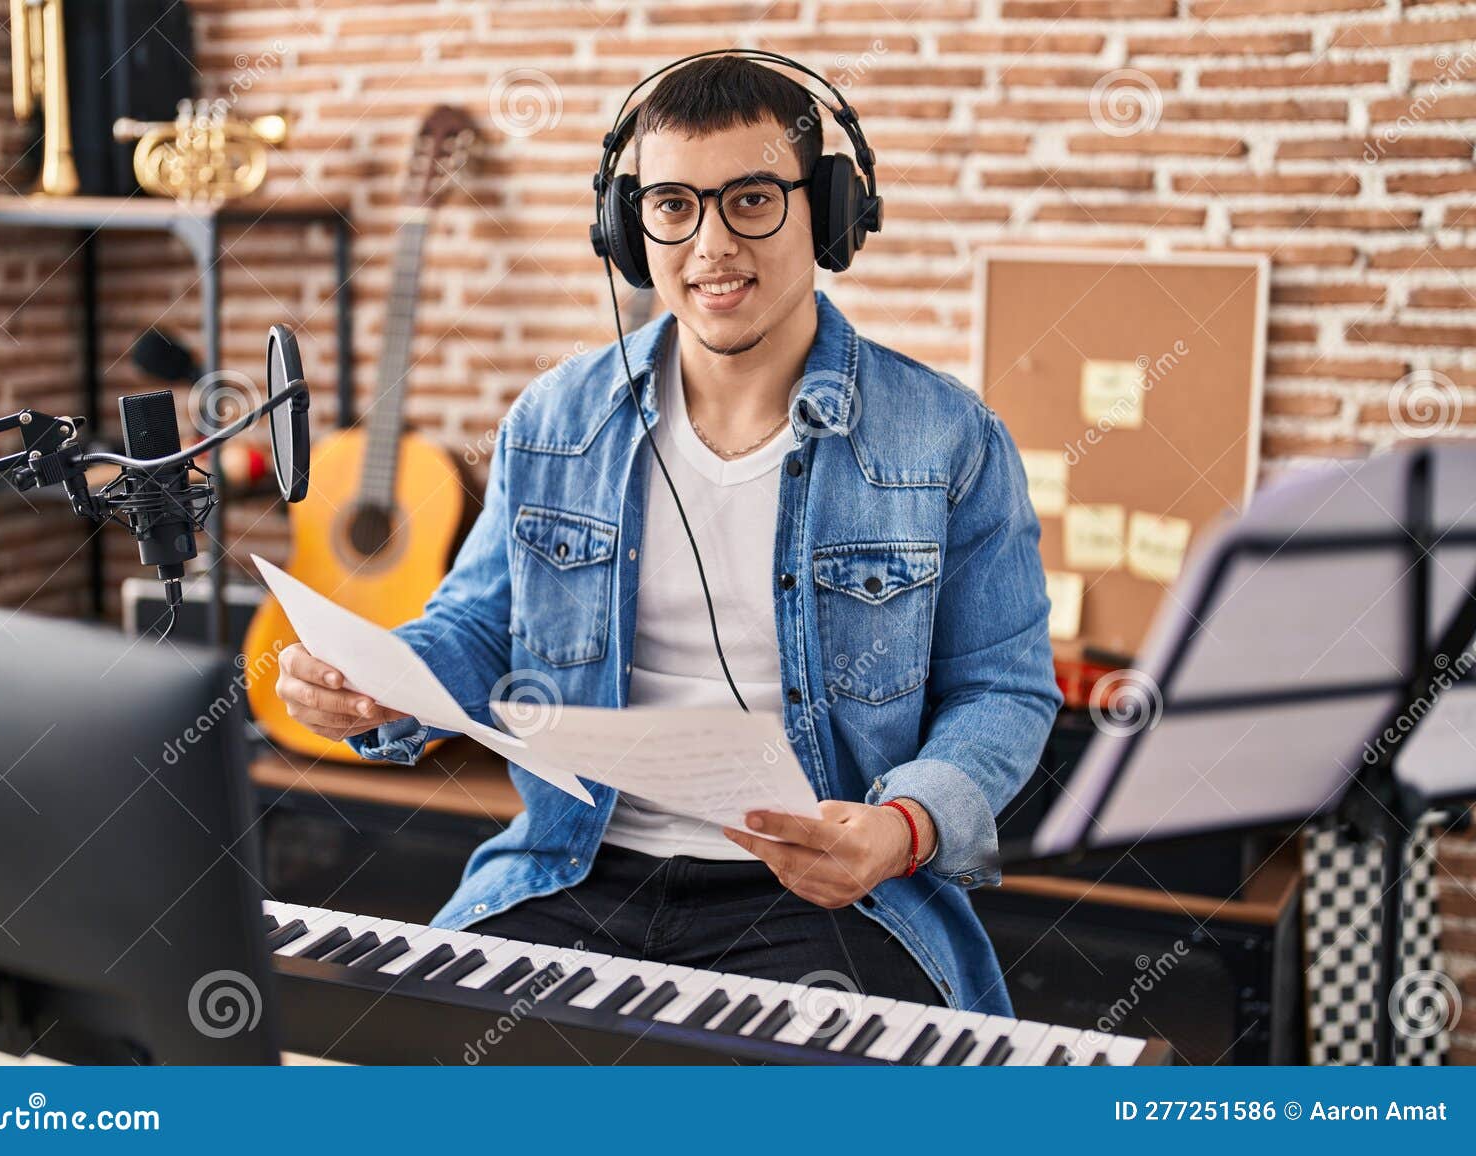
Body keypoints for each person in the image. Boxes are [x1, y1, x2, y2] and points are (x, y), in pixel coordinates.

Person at [274, 54, 1061, 1016]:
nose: (710, 245)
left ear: (831, 212)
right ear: (626, 223)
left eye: (752, 201)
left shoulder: (948, 439)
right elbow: (476, 629)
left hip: (830, 900)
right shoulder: (553, 419)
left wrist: (901, 829)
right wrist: (375, 684)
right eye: (674, 205)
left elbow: (1003, 692)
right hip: (571, 875)